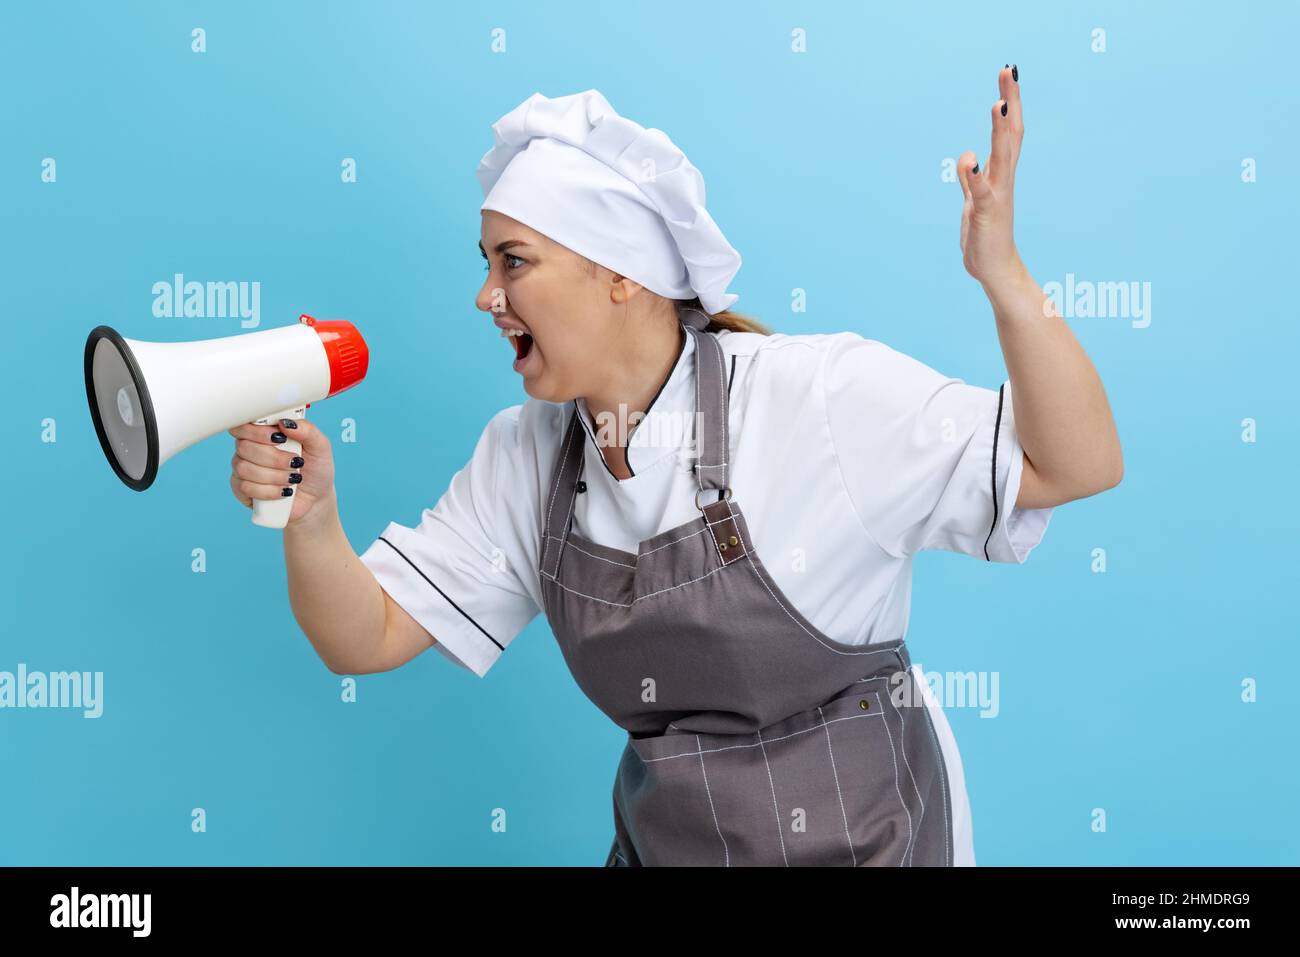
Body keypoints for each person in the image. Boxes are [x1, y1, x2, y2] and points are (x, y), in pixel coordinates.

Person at [228, 71, 1123, 866]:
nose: (484, 295)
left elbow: (1076, 463)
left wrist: (1003, 274)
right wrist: (313, 519)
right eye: (485, 262)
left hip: (873, 839)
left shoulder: (814, 400)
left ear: (621, 275)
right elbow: (368, 634)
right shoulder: (525, 455)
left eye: (514, 261)